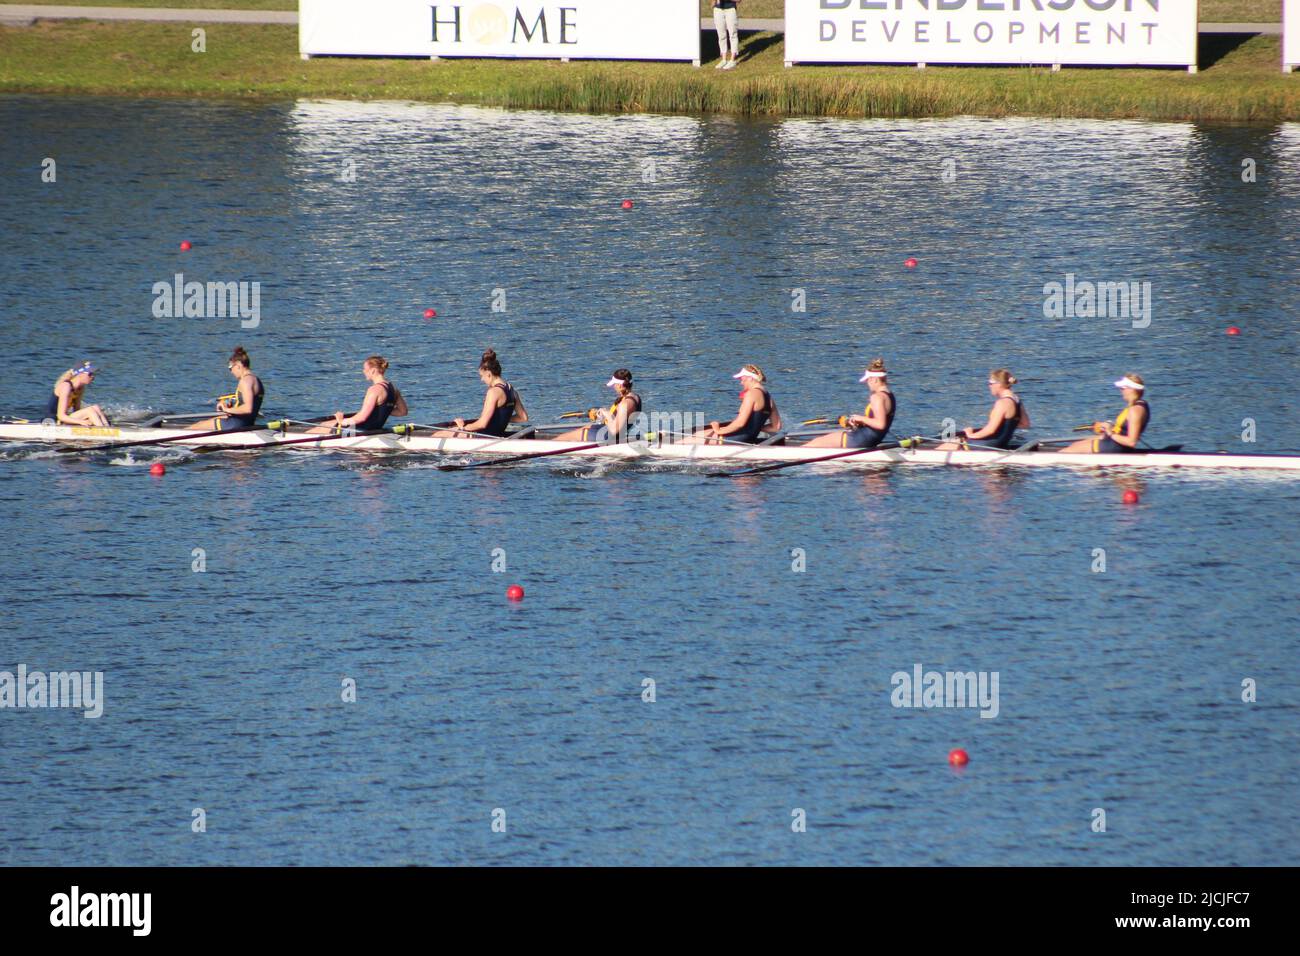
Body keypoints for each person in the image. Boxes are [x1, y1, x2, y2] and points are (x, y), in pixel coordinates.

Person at [432, 349, 528, 438]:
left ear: (488, 374)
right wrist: (500, 420)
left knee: (437, 435)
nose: (482, 379)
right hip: (496, 434)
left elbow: (482, 424)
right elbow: (522, 417)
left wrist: (463, 428)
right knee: (450, 430)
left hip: (483, 436)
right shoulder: (512, 391)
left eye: (482, 376)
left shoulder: (493, 392)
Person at [804, 358, 896, 449]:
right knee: (825, 438)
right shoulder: (890, 395)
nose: (867, 384)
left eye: (868, 380)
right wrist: (860, 422)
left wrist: (860, 418)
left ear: (875, 380)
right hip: (871, 438)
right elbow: (879, 422)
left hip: (861, 439)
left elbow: (880, 424)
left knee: (813, 444)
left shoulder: (877, 397)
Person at [681, 365, 781, 445]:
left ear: (750, 378)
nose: (741, 382)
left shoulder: (752, 394)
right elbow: (776, 426)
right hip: (750, 437)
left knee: (694, 438)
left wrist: (719, 430)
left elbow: (740, 423)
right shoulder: (768, 396)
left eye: (742, 379)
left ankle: (667, 450)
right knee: (700, 433)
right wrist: (755, 428)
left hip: (737, 438)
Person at [934, 368, 1030, 451]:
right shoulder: (1017, 400)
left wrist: (970, 434)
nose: (989, 386)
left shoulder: (1002, 403)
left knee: (952, 444)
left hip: (990, 444)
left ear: (999, 384)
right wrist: (1006, 427)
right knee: (955, 441)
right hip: (1002, 442)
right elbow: (1025, 424)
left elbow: (990, 431)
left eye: (990, 383)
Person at [308, 356, 407, 434]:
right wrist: (382, 410)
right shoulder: (394, 389)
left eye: (365, 369)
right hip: (375, 428)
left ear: (373, 370)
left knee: (323, 426)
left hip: (361, 429)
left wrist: (342, 421)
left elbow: (361, 418)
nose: (363, 371)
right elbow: (402, 412)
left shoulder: (374, 390)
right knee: (327, 423)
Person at [1062, 375, 1149, 454]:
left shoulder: (1135, 411)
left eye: (1122, 388)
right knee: (1074, 445)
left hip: (1115, 447)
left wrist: (1110, 432)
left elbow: (1131, 442)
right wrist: (1107, 427)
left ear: (1131, 389)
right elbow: (1124, 429)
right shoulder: (1140, 405)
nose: (1121, 391)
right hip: (1114, 443)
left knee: (1066, 452)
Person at [554, 369, 642, 444]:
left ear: (619, 385)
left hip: (607, 436)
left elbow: (615, 430)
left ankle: (548, 445)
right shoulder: (636, 397)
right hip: (614, 433)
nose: (614, 387)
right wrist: (603, 414)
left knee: (563, 438)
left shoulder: (625, 404)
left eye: (614, 385)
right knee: (586, 427)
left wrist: (607, 414)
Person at [189, 346, 265, 431]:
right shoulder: (256, 380)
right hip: (246, 422)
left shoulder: (245, 381)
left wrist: (226, 409)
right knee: (206, 422)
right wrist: (230, 406)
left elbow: (247, 408)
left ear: (238, 365)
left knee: (195, 427)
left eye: (230, 368)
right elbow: (248, 404)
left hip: (235, 424)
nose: (231, 372)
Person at [46, 361, 109, 426]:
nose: (92, 377)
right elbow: (61, 416)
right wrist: (81, 422)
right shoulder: (66, 386)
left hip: (64, 419)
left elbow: (76, 410)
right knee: (89, 411)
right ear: (80, 374)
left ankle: (108, 427)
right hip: (54, 421)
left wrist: (86, 419)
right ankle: (103, 430)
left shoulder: (80, 388)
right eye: (90, 374)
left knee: (96, 407)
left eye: (93, 374)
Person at [713, 0, 741, 71]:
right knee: (721, 35)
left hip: (730, 9)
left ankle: (732, 59)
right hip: (718, 9)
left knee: (732, 34)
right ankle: (724, 59)